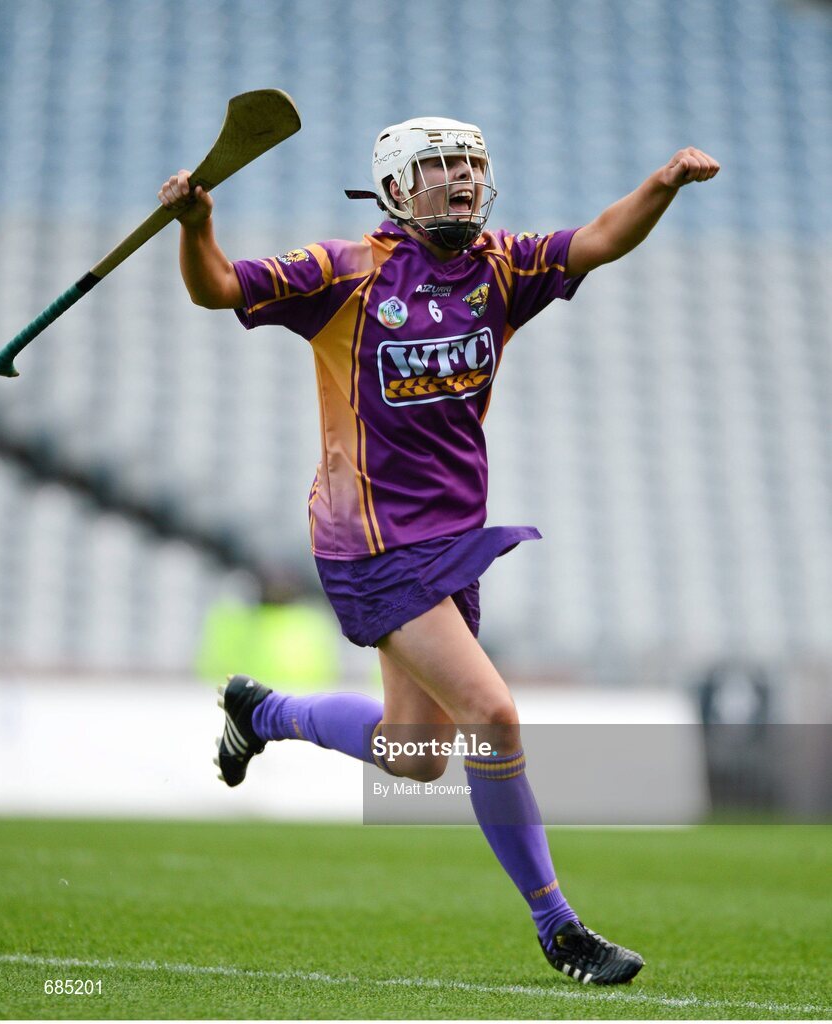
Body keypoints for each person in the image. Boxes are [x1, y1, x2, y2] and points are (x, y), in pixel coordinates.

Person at [159, 118, 718, 986]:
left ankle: (260, 713)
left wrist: (664, 182)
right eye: (440, 167)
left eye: (472, 164)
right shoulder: (345, 273)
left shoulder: (503, 267)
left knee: (414, 758)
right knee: (493, 716)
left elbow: (602, 239)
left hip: (451, 544)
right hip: (370, 544)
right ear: (395, 188)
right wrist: (198, 227)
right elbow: (219, 287)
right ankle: (560, 926)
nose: (462, 178)